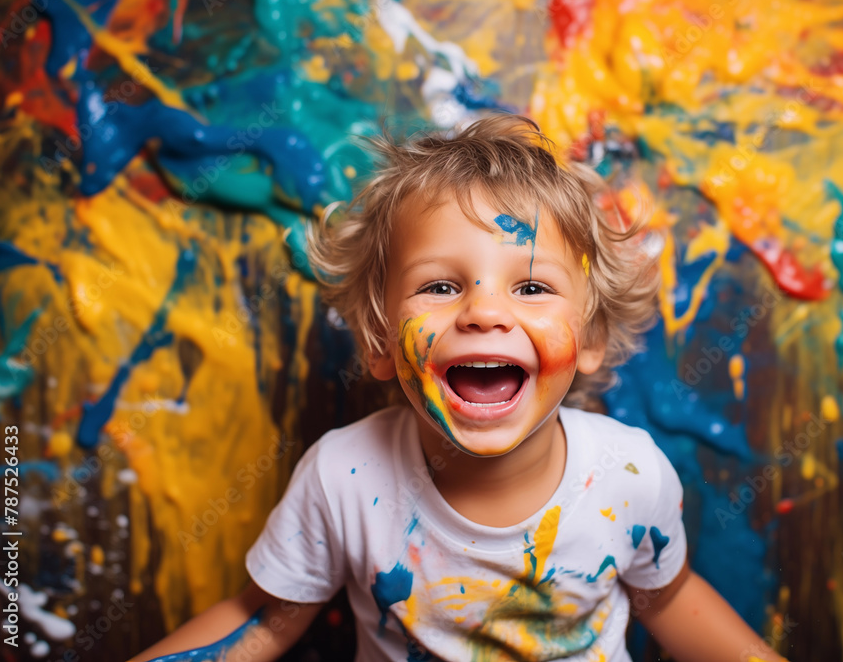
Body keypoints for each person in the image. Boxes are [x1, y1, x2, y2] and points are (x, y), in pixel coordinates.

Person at [134, 115, 787, 662]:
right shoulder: (342, 477)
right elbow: (264, 619)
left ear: (589, 337)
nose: (484, 311)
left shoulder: (630, 475)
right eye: (441, 286)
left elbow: (667, 600)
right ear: (380, 339)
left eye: (531, 286)